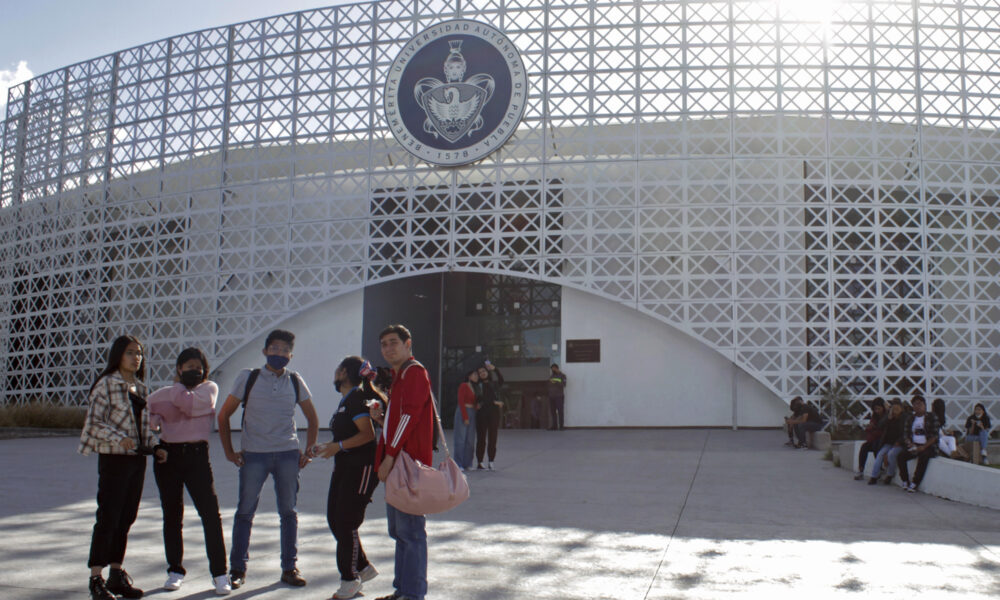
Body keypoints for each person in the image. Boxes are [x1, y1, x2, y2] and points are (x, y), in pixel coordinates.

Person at [217, 329, 319, 589]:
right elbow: (224, 414)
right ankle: (238, 569)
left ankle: (289, 568)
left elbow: (312, 417)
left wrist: (308, 451)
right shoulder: (248, 378)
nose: (279, 354)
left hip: (287, 454)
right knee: (244, 513)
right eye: (274, 349)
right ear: (265, 351)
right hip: (254, 456)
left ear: (291, 355)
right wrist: (229, 451)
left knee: (288, 513)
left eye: (285, 350)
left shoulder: (295, 380)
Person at [79, 335, 167, 600]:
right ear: (118, 355)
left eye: (139, 353)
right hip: (114, 459)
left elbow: (144, 430)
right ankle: (96, 578)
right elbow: (93, 424)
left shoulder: (140, 389)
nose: (136, 358)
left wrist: (156, 447)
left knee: (127, 516)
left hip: (136, 460)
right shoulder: (106, 385)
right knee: (108, 517)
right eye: (130, 353)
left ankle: (116, 574)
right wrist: (120, 438)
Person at [147, 347, 230, 595]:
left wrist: (174, 393)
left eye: (199, 367)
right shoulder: (163, 393)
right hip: (167, 457)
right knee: (172, 515)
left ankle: (219, 573)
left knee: (210, 515)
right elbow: (147, 414)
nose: (195, 371)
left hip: (197, 457)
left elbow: (188, 405)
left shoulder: (209, 389)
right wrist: (155, 422)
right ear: (179, 369)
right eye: (189, 367)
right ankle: (175, 570)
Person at [370, 324, 434, 600]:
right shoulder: (399, 377)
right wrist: (382, 420)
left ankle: (413, 593)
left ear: (408, 344)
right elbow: (402, 420)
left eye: (394, 342)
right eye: (384, 344)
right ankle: (403, 590)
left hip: (406, 464)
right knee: (399, 532)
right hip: (400, 462)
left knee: (411, 532)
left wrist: (389, 456)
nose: (388, 348)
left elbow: (409, 417)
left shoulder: (414, 372)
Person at [310, 356, 382, 599]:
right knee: (334, 518)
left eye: (337, 369)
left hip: (361, 469)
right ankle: (362, 566)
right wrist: (327, 447)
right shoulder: (347, 400)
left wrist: (338, 446)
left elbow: (367, 435)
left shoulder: (357, 399)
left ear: (343, 372)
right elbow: (347, 436)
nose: (334, 373)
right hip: (344, 467)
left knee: (346, 522)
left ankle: (350, 579)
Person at [896, 396, 939, 493]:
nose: (917, 406)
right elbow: (906, 434)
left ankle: (915, 482)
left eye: (920, 404)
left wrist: (923, 447)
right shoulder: (911, 418)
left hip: (928, 446)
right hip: (914, 445)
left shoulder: (932, 417)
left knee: (924, 457)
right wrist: (910, 444)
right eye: (915, 404)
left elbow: (934, 436)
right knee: (901, 456)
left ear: (925, 405)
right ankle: (905, 480)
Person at [475, 361, 504, 469]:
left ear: (487, 371)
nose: (482, 373)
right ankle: (480, 461)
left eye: (483, 371)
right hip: (482, 414)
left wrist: (495, 369)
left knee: (493, 437)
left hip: (494, 414)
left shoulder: (494, 383)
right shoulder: (478, 385)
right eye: (480, 372)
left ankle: (491, 461)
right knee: (481, 438)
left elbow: (502, 380)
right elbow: (481, 400)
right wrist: (494, 402)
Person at [869, 400, 906, 485]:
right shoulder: (889, 417)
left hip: (899, 444)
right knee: (880, 455)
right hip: (889, 443)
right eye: (893, 408)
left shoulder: (904, 418)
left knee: (891, 454)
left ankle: (890, 474)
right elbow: (880, 426)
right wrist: (888, 417)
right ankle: (874, 476)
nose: (895, 410)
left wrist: (899, 442)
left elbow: (906, 433)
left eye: (897, 408)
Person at [452, 369, 478, 471]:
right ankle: (458, 463)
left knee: (470, 440)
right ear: (469, 376)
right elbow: (461, 401)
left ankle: (468, 463)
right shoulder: (463, 385)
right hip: (464, 411)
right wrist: (465, 416)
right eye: (475, 374)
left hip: (473, 411)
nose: (477, 376)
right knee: (460, 439)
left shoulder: (476, 388)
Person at [854, 397, 886, 480]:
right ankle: (861, 470)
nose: (877, 411)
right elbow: (869, 429)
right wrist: (872, 429)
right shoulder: (874, 416)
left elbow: (884, 432)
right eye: (875, 409)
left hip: (884, 440)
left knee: (876, 445)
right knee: (864, 447)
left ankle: (879, 468)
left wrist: (873, 429)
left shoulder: (886, 417)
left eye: (879, 408)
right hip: (875, 438)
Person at [547, 364, 567, 430]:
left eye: (554, 368)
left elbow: (564, 384)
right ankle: (554, 426)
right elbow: (549, 386)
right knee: (553, 412)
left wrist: (556, 382)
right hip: (551, 396)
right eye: (552, 369)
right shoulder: (551, 376)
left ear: (557, 368)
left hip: (559, 396)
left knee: (560, 411)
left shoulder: (562, 376)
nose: (553, 370)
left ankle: (561, 426)